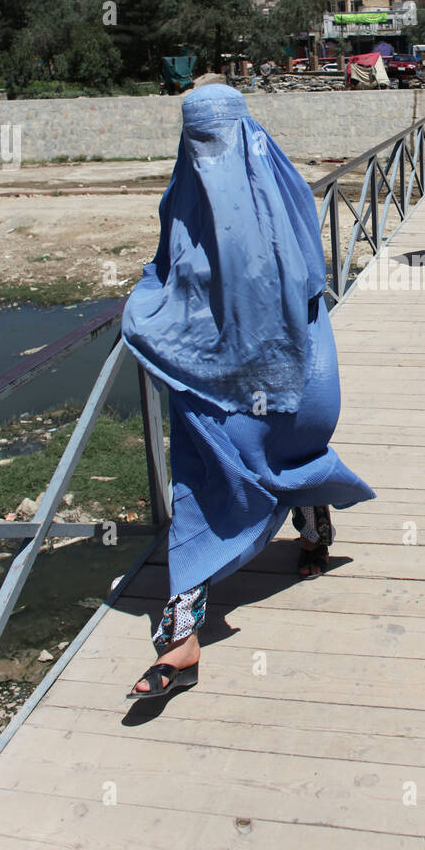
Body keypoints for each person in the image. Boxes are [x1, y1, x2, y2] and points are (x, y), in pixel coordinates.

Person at [121, 80, 375, 700]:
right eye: (198, 141)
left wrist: (147, 312)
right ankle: (180, 639)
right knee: (205, 484)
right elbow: (174, 270)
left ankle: (312, 522)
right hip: (215, 378)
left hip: (297, 371)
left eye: (214, 139)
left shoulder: (273, 192)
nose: (209, 156)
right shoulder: (219, 190)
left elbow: (294, 280)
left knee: (284, 456)